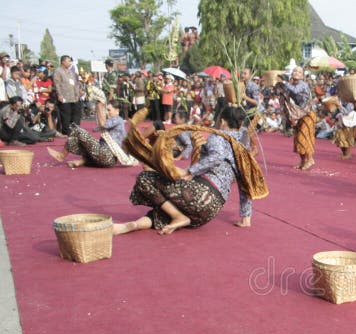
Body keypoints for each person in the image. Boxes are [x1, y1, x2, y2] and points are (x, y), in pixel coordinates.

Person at [115, 105, 266, 235]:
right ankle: (133, 225)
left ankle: (178, 217)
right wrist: (246, 217)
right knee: (163, 212)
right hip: (209, 210)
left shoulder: (219, 137)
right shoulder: (241, 146)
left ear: (222, 121)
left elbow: (217, 156)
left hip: (200, 194)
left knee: (145, 178)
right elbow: (244, 181)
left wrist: (189, 171)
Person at [47, 100, 132, 168]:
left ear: (117, 111)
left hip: (107, 155)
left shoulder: (118, 120)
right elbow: (97, 128)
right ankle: (81, 162)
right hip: (105, 158)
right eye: (106, 110)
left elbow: (103, 124)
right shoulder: (112, 121)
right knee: (74, 140)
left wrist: (99, 106)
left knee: (77, 130)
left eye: (109, 110)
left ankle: (61, 155)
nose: (106, 112)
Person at [284, 66, 316, 170]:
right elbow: (286, 97)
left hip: (308, 113)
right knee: (298, 138)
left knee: (306, 136)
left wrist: (286, 84)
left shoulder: (303, 85)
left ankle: (310, 159)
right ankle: (303, 161)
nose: (296, 72)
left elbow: (296, 91)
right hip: (298, 114)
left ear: (302, 76)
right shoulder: (290, 85)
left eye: (299, 71)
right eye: (294, 71)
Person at [52, 55, 82, 134]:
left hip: (73, 97)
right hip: (64, 97)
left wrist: (77, 95)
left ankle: (74, 130)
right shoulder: (58, 71)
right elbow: (57, 84)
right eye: (68, 61)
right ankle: (66, 131)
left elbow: (76, 84)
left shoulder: (71, 72)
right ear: (63, 62)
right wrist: (59, 95)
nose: (70, 63)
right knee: (66, 115)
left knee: (75, 114)